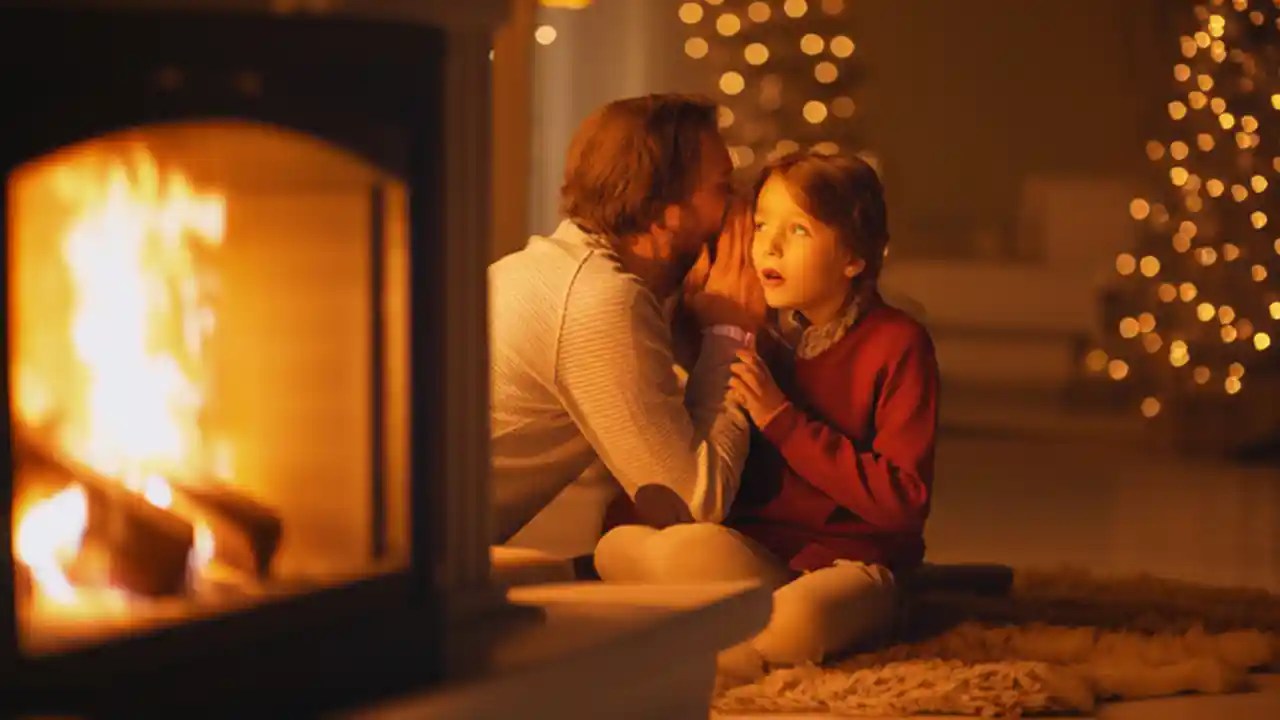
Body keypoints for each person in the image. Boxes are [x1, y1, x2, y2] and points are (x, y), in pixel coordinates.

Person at [595, 151, 940, 678]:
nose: (769, 247)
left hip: (853, 564)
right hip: (762, 559)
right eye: (761, 225)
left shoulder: (898, 344)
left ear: (854, 257)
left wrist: (782, 420)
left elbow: (904, 503)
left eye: (799, 230)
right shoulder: (763, 339)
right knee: (620, 548)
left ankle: (722, 638)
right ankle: (731, 636)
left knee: (797, 621)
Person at [488, 93, 764, 546]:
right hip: (394, 569)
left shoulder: (565, 270)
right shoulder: (597, 300)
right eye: (723, 187)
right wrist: (732, 332)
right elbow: (690, 502)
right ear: (663, 214)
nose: (739, 208)